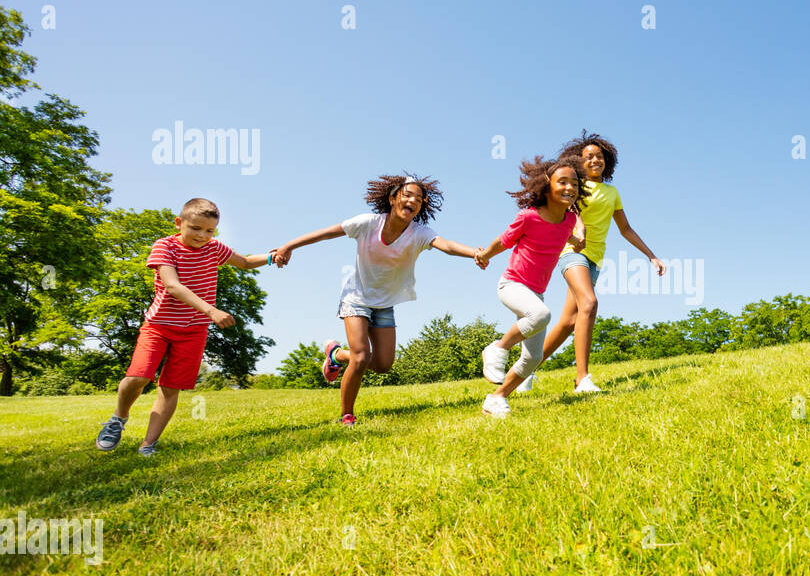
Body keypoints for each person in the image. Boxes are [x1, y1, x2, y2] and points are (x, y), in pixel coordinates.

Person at [271, 175, 479, 424]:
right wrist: (288, 246)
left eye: (419, 199)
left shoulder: (419, 233)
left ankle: (337, 355)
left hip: (384, 304)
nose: (413, 200)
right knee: (360, 357)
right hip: (356, 298)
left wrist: (475, 253)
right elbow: (326, 233)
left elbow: (446, 244)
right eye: (407, 195)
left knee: (382, 365)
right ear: (393, 199)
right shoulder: (368, 223)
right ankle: (346, 415)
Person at [95, 198, 271, 456]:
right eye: (195, 228)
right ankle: (118, 419)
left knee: (170, 387)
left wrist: (271, 257)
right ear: (179, 223)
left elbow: (244, 262)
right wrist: (212, 310)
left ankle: (148, 444)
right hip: (159, 326)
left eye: (209, 230)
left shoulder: (214, 248)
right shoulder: (165, 246)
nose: (202, 236)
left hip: (194, 331)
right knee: (138, 377)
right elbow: (172, 285)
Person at [539, 131, 664, 393]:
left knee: (569, 322)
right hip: (571, 251)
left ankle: (525, 369)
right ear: (578, 162)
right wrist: (578, 227)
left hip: (595, 257)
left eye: (600, 156)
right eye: (589, 157)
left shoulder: (611, 191)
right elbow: (565, 211)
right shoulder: (574, 185)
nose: (595, 160)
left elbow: (626, 228)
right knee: (590, 302)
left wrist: (651, 256)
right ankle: (582, 379)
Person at [477, 155, 588, 416]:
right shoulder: (528, 217)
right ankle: (497, 348)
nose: (570, 188)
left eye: (574, 183)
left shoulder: (568, 220)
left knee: (533, 357)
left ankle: (497, 397)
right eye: (563, 182)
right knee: (541, 315)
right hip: (512, 285)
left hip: (535, 293)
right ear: (547, 184)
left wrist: (579, 237)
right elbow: (502, 242)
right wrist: (484, 256)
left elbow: (572, 236)